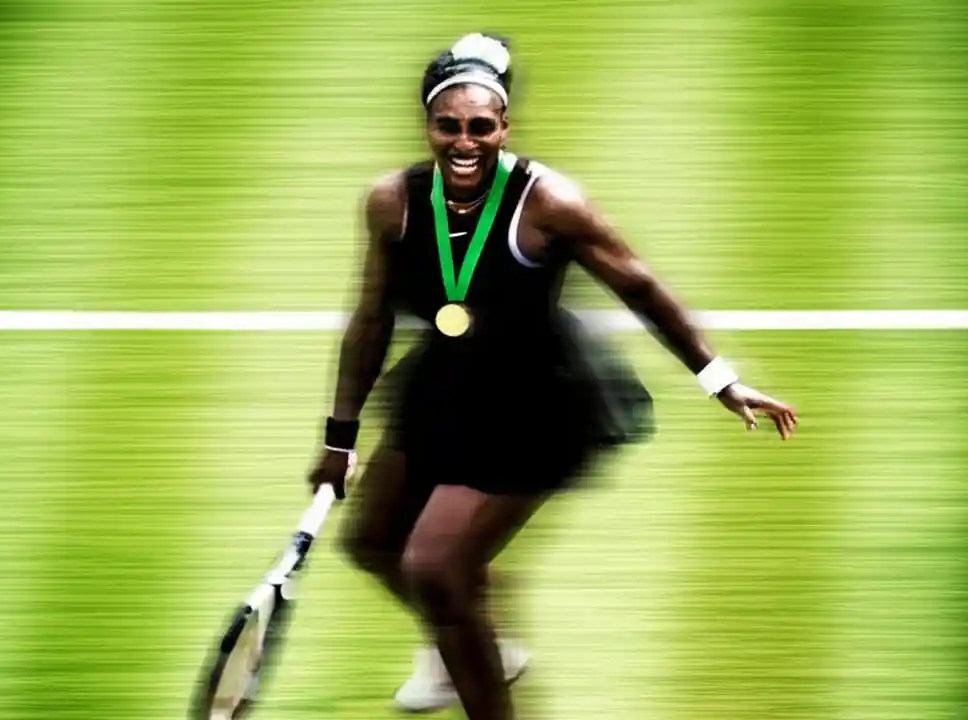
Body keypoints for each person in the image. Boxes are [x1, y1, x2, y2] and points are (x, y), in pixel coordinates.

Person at [307, 32, 798, 720]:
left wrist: (719, 378)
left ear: (505, 127)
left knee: (435, 569)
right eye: (448, 125)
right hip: (444, 392)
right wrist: (339, 436)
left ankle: (477, 667)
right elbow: (370, 321)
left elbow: (642, 287)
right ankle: (480, 641)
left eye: (482, 126)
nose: (464, 141)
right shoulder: (391, 204)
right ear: (427, 126)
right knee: (373, 544)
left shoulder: (550, 203)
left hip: (535, 408)